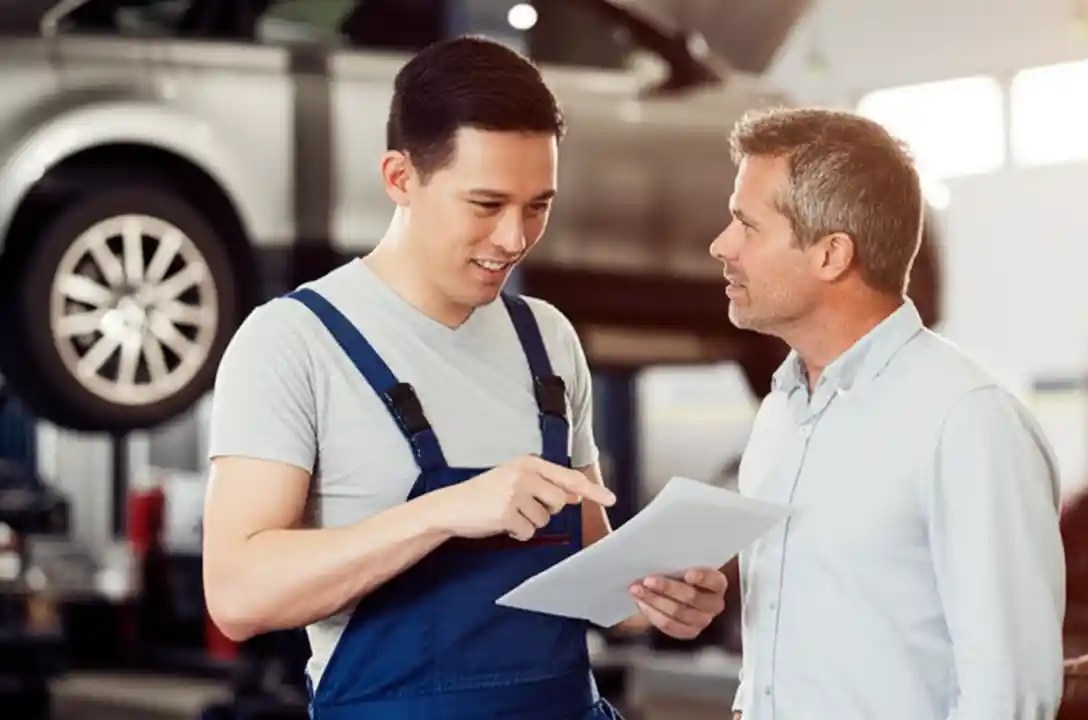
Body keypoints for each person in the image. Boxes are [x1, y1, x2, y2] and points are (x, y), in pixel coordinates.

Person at [201, 36, 728, 720]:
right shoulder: (292, 343)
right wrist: (446, 512)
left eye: (538, 205)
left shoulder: (549, 341)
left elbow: (594, 573)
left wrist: (662, 602)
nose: (514, 237)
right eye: (485, 204)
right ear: (400, 178)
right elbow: (238, 596)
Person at [711, 107, 1065, 719]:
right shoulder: (782, 412)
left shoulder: (967, 422)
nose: (722, 245)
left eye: (747, 225)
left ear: (831, 254)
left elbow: (1007, 699)